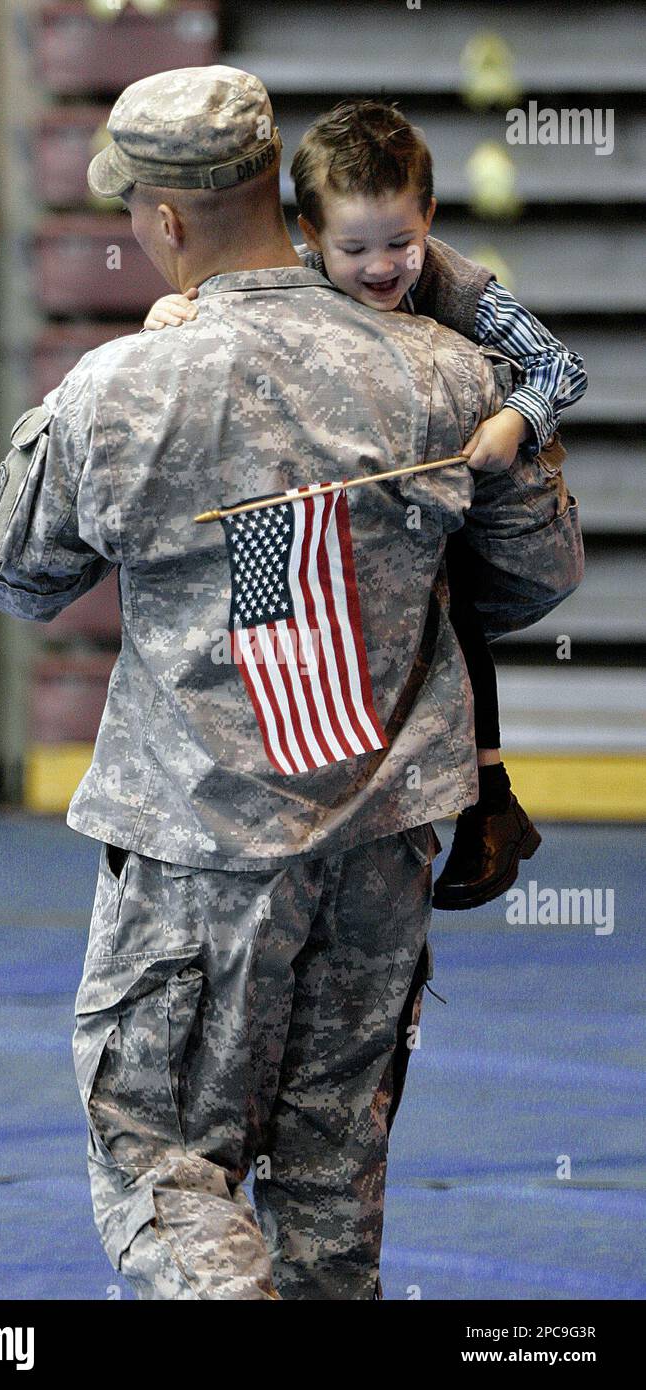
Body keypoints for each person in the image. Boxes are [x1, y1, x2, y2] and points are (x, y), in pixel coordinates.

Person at [0, 65, 583, 1300]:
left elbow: (18, 577)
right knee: (328, 1183)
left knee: (164, 1165)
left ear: (164, 219)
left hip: (200, 851)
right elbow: (537, 573)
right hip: (383, 842)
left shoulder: (127, 385)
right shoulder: (446, 368)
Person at [145, 98, 588, 913]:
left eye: (400, 243)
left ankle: (491, 797)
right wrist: (174, 309)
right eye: (354, 248)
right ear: (309, 236)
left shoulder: (454, 285)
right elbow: (224, 319)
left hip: (447, 503)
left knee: (443, 613)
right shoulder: (295, 284)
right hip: (349, 509)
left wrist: (514, 418)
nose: (381, 267)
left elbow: (560, 366)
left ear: (428, 218)